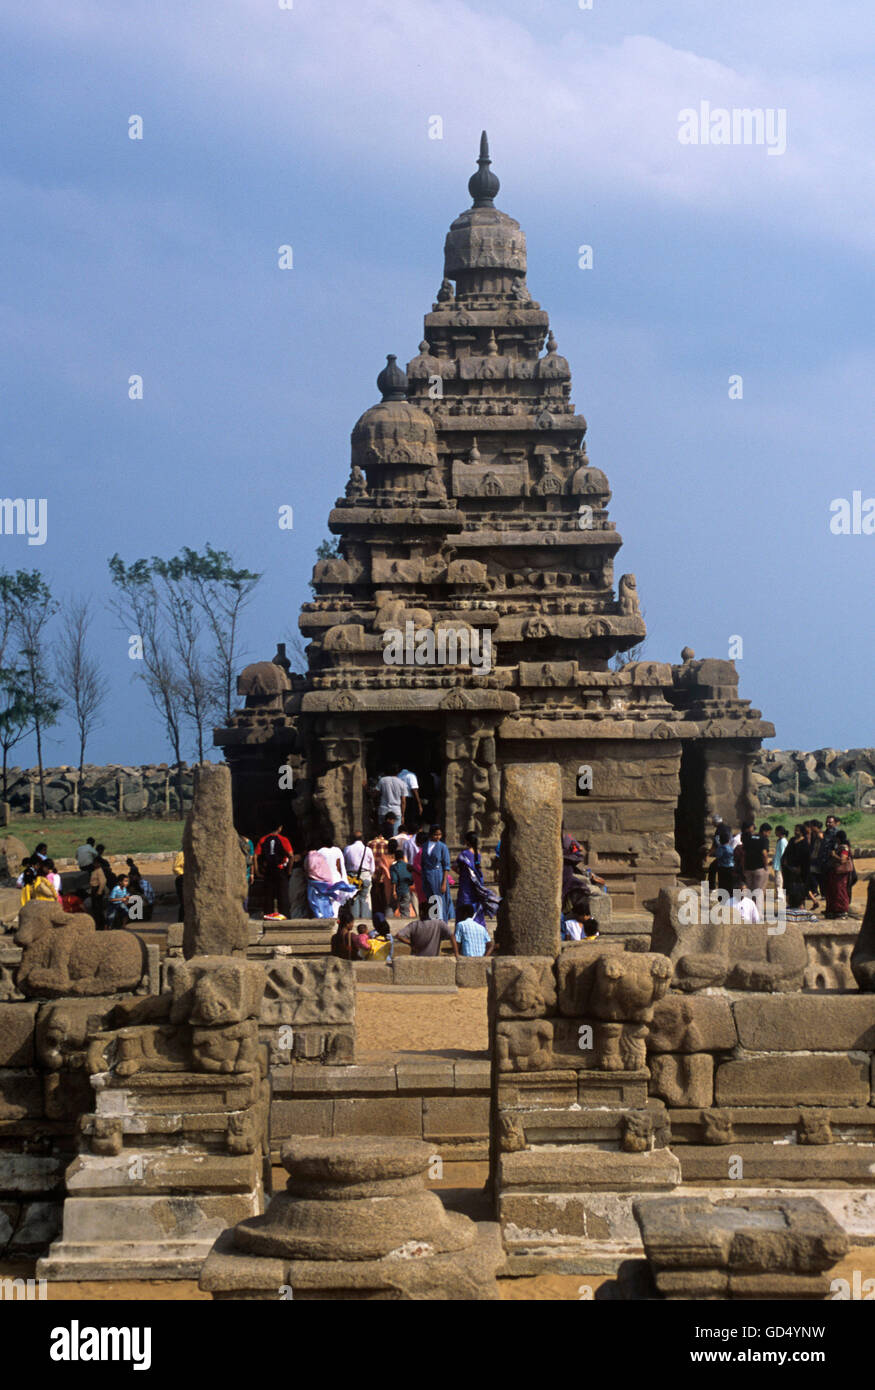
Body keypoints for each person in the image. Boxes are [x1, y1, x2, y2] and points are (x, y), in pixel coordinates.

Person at [455, 831, 499, 925]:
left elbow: (454, 866)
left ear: (466, 842)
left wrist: (462, 873)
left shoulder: (464, 854)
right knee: (476, 905)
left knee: (464, 905)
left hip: (466, 884)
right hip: (476, 884)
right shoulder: (477, 854)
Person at [393, 900, 458, 958]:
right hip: (433, 960)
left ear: (421, 912)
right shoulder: (439, 924)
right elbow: (452, 936)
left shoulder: (414, 925)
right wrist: (456, 954)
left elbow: (398, 935)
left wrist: (411, 943)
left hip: (416, 959)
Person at [255, 825, 294, 919]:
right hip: (280, 870)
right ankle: (284, 916)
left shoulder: (263, 839)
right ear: (280, 828)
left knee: (268, 895)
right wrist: (289, 871)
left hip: (268, 870)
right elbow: (291, 856)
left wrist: (257, 872)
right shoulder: (283, 839)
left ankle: (268, 916)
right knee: (282, 894)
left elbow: (255, 856)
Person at [421, 825, 452, 921]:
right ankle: (432, 923)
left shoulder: (443, 847)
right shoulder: (425, 845)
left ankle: (441, 923)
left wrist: (444, 882)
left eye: (439, 834)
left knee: (439, 900)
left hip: (438, 875)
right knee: (430, 900)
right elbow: (422, 862)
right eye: (435, 834)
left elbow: (446, 866)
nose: (438, 837)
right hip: (427, 875)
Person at [823, 830, 855, 919]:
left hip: (840, 875)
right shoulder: (839, 847)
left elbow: (842, 860)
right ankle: (834, 910)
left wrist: (833, 855)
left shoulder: (844, 848)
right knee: (833, 891)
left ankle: (842, 910)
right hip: (835, 874)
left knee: (840, 892)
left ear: (838, 838)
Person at [343, 832, 375, 918]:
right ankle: (366, 919)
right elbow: (372, 867)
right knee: (365, 898)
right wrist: (370, 875)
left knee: (354, 898)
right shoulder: (367, 850)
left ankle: (355, 919)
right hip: (365, 875)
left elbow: (344, 864)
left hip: (351, 877)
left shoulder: (347, 849)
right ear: (362, 839)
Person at [780, 825, 810, 911]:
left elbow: (805, 858)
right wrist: (784, 862)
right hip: (789, 869)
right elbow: (786, 852)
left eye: (797, 830)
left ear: (801, 832)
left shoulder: (804, 843)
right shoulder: (792, 840)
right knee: (789, 888)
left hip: (799, 871)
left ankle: (800, 905)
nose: (795, 832)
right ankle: (790, 905)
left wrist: (800, 869)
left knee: (800, 889)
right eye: (795, 830)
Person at [375, 767, 407, 837]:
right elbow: (403, 801)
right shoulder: (402, 783)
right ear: (398, 772)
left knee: (381, 834)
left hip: (383, 810)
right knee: (394, 836)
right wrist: (403, 816)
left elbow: (375, 794)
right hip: (396, 811)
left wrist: (366, 788)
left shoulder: (382, 780)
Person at [740, 821, 770, 895]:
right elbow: (764, 853)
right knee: (758, 893)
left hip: (748, 868)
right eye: (769, 832)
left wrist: (743, 867)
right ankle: (757, 906)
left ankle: (749, 905)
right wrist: (766, 866)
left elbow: (744, 854)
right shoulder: (764, 839)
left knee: (749, 892)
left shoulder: (748, 837)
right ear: (765, 831)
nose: (769, 835)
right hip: (759, 868)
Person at [390, 848, 414, 917]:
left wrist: (394, 891)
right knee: (405, 910)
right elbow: (411, 879)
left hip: (397, 890)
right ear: (403, 857)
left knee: (391, 907)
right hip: (406, 890)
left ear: (395, 857)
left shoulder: (394, 867)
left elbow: (394, 879)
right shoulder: (408, 866)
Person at [714, 825, 737, 897]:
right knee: (730, 884)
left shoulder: (720, 849)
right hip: (731, 868)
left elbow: (717, 856)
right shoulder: (731, 848)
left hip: (722, 869)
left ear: (720, 840)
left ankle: (722, 899)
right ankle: (731, 897)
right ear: (729, 840)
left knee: (722, 884)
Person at [89, 857, 107, 928]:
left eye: (95, 863)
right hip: (94, 889)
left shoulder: (99, 871)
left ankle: (101, 924)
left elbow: (103, 882)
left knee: (98, 909)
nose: (94, 864)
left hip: (97, 890)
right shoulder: (95, 871)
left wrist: (99, 892)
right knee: (96, 909)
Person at [772, 825, 789, 896]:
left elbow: (783, 853)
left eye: (776, 831)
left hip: (780, 864)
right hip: (778, 863)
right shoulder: (780, 841)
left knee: (779, 880)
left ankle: (780, 895)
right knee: (778, 880)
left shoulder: (782, 841)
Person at [173, 848, 185, 921]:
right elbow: (176, 867)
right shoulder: (182, 854)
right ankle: (181, 922)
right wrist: (183, 874)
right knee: (184, 903)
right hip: (182, 879)